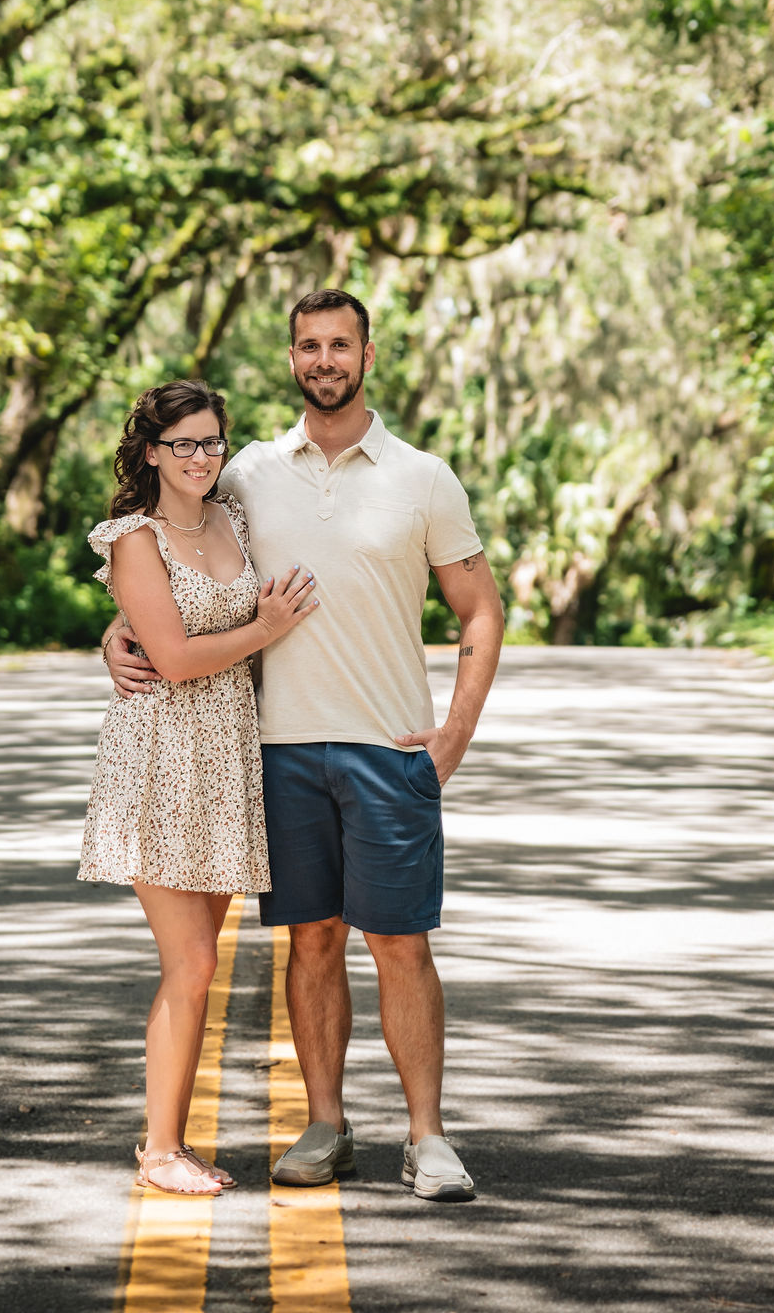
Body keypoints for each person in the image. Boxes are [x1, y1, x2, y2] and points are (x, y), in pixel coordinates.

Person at [105, 290, 503, 1202]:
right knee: (312, 943)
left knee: (400, 944)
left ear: (369, 356)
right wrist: (116, 634)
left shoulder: (424, 478)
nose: (324, 359)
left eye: (340, 345)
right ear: (292, 358)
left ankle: (428, 1138)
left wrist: (454, 733)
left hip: (388, 748)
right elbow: (176, 557)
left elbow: (481, 610)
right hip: (274, 751)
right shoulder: (244, 471)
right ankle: (324, 1125)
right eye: (308, 345)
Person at [78, 377, 318, 1197]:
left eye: (212, 441)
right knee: (189, 962)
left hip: (226, 756)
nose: (201, 457)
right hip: (162, 758)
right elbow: (174, 659)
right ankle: (158, 1152)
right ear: (150, 451)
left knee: (199, 962)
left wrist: (118, 633)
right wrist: (265, 628)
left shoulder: (233, 517)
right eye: (183, 443)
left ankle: (168, 1144)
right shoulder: (134, 538)